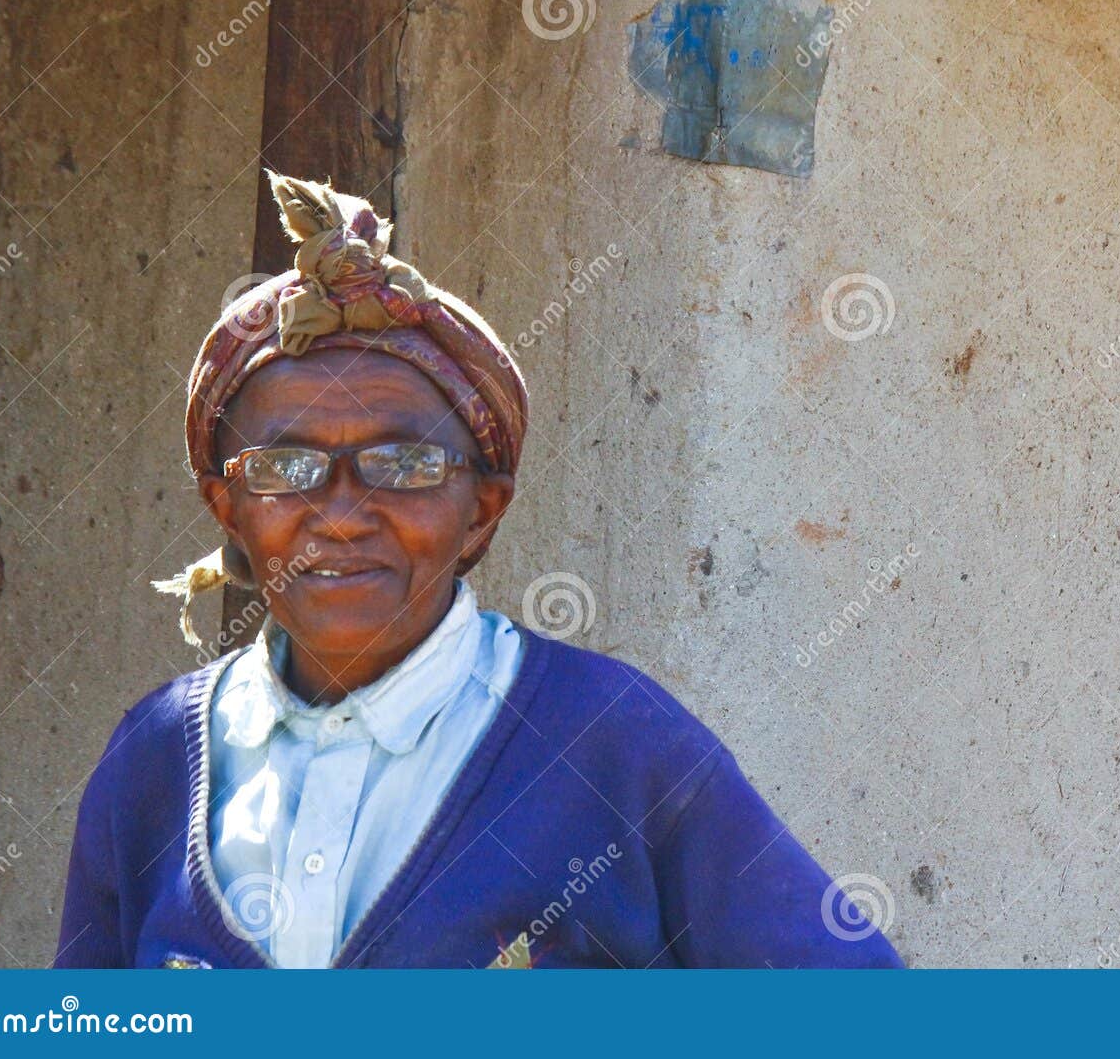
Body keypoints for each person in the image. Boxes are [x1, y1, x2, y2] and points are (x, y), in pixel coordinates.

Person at [53, 172, 903, 969]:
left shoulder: (610, 746)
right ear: (227, 507)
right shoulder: (154, 764)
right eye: (286, 468)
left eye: (406, 464)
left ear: (482, 512)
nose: (343, 513)